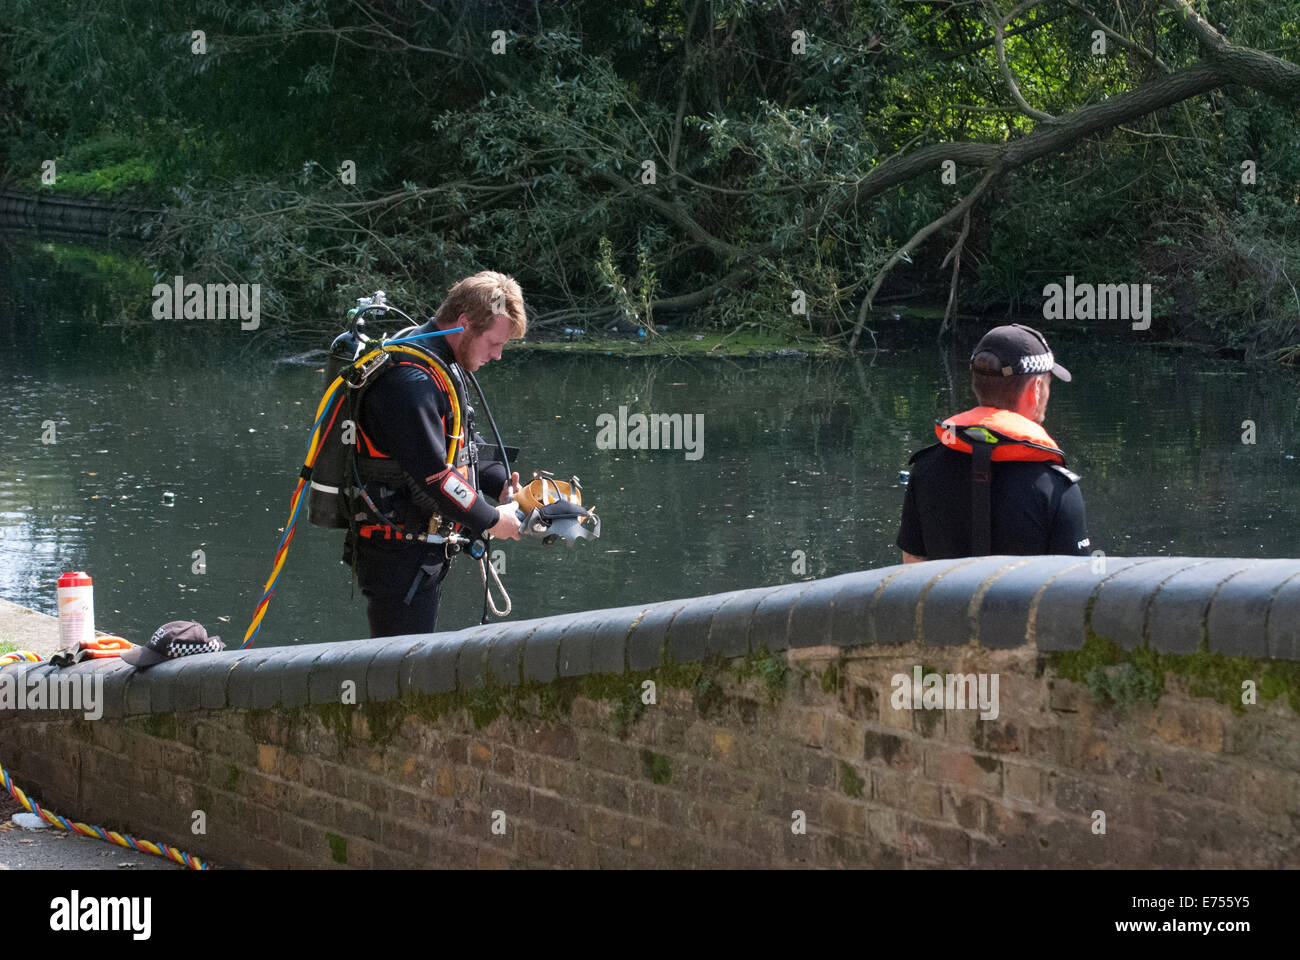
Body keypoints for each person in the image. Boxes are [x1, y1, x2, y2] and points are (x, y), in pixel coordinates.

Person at [344, 271, 526, 638]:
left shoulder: (440, 363)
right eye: (494, 342)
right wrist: (492, 519)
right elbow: (435, 479)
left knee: (408, 666)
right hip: (397, 558)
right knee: (398, 671)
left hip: (421, 553)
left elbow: (460, 450)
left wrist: (503, 485)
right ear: (464, 324)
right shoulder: (411, 381)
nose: (498, 354)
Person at [896, 323, 1090, 562]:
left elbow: (911, 574)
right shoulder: (1057, 489)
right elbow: (1072, 591)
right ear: (1036, 389)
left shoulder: (925, 470)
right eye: (1048, 382)